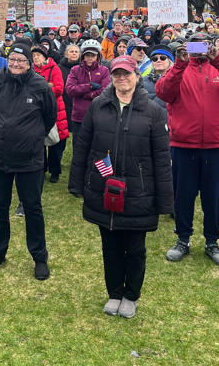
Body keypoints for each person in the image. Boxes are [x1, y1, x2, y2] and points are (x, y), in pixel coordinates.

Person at [70, 55, 173, 317]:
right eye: (116, 74)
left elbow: (162, 159)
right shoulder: (98, 106)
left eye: (126, 73)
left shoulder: (154, 111)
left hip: (139, 192)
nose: (121, 78)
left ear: (137, 76)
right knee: (110, 246)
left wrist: (165, 201)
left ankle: (131, 294)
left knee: (135, 249)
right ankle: (115, 292)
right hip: (105, 189)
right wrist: (77, 183)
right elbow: (83, 146)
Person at [156, 32, 219, 266]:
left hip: (216, 145)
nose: (199, 49)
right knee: (183, 195)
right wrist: (179, 63)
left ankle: (212, 241)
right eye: (195, 44)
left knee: (214, 197)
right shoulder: (180, 68)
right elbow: (163, 92)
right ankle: (183, 239)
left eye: (204, 44)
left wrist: (218, 58)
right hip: (183, 144)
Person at [0, 41, 57, 280]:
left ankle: (39, 256)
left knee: (33, 208)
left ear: (29, 63)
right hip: (0, 157)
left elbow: (49, 117)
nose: (16, 64)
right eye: (12, 59)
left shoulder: (41, 86)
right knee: (0, 207)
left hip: (30, 159)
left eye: (21, 61)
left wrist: (31, 137)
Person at [31, 43, 70, 184]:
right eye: (34, 56)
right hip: (37, 111)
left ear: (45, 57)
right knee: (39, 143)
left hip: (55, 110)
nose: (35, 58)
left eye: (38, 55)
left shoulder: (55, 69)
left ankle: (55, 171)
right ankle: (41, 168)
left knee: (54, 142)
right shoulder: (31, 70)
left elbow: (59, 89)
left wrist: (41, 89)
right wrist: (47, 85)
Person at [66, 40, 111, 147]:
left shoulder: (104, 70)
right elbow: (70, 89)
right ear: (83, 56)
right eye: (87, 55)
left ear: (98, 56)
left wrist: (87, 95)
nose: (90, 58)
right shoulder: (75, 70)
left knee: (96, 146)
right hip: (79, 116)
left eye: (93, 55)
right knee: (79, 146)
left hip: (98, 115)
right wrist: (89, 86)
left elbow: (105, 90)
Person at [141, 45, 173, 113]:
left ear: (169, 60)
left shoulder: (177, 81)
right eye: (155, 59)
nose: (158, 61)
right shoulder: (142, 81)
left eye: (163, 58)